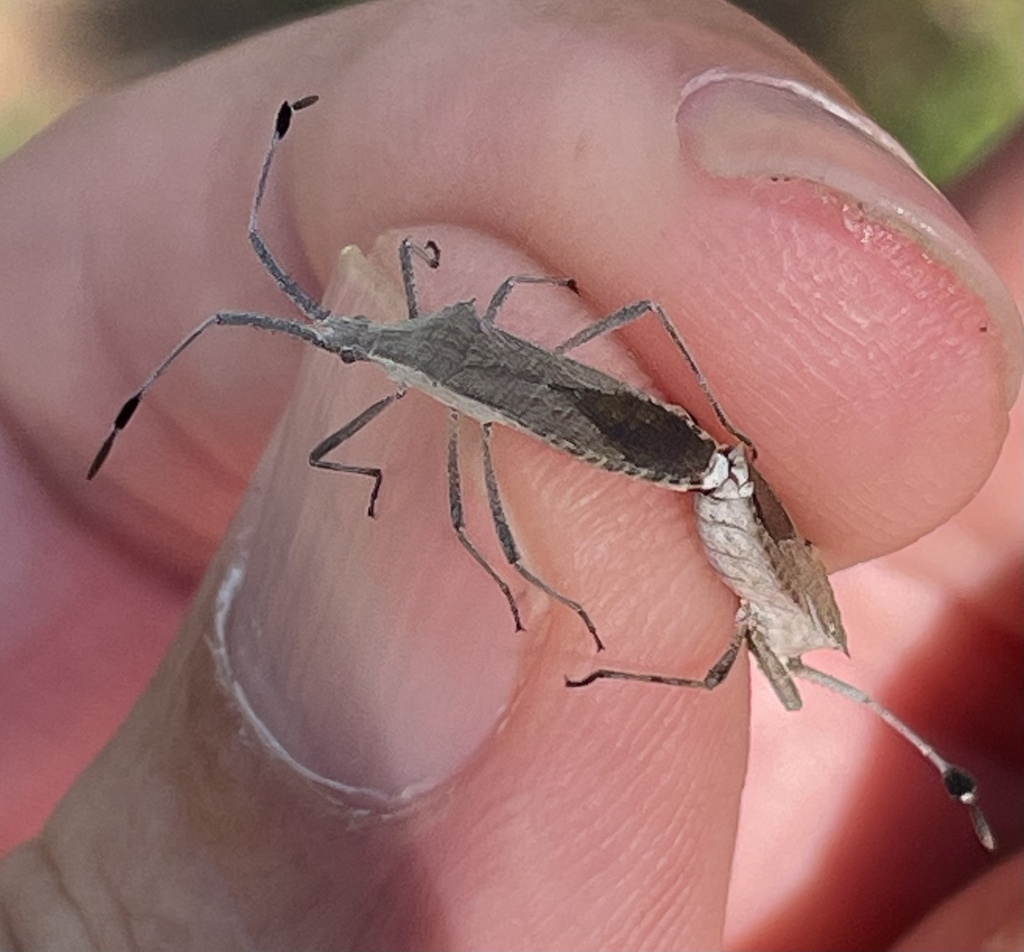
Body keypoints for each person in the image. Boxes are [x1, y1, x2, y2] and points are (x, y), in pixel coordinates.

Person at [0, 1, 1019, 948]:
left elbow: (399, 414)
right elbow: (512, 297)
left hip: (601, 421)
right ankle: (564, 596)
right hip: (595, 410)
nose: (343, 343)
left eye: (353, 345)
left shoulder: (411, 336)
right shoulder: (419, 307)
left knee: (462, 505)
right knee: (483, 460)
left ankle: (559, 602)